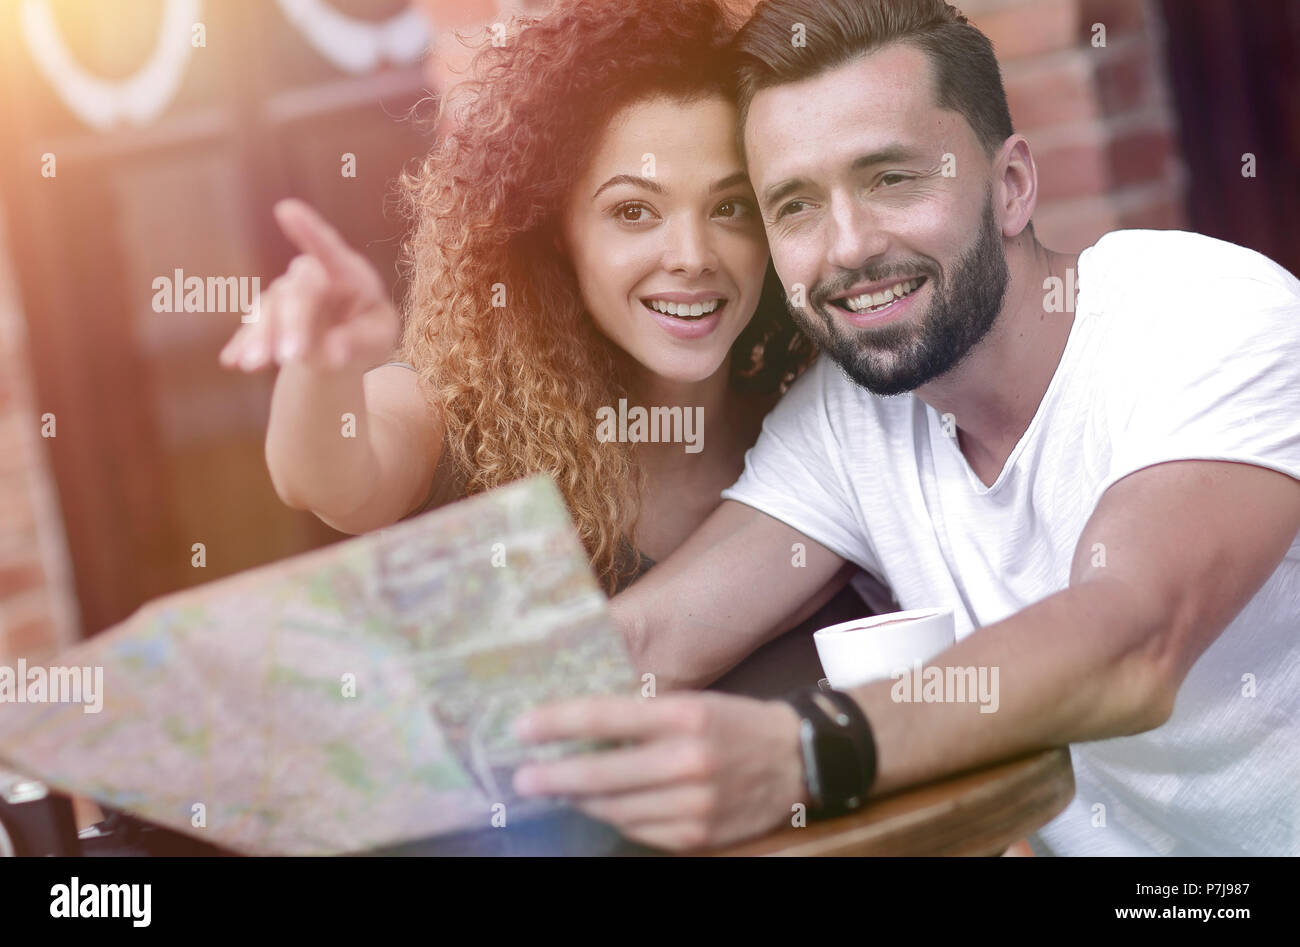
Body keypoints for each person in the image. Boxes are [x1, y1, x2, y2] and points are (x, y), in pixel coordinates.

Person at [510, 0, 1300, 856]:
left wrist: (806, 751)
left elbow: (1131, 640)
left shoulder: (1204, 314)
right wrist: (365, 753)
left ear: (1011, 186)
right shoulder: (853, 420)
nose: (847, 246)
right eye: (797, 205)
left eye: (890, 178)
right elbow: (648, 639)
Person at [218, 0, 884, 657]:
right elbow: (326, 478)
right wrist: (323, 368)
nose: (691, 254)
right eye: (633, 211)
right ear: (557, 232)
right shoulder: (468, 417)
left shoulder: (826, 420)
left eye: (731, 206)